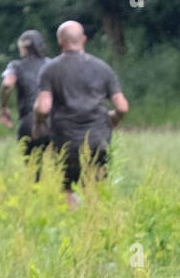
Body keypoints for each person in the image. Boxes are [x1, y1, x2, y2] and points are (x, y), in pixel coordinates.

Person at [33, 21, 129, 210]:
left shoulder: (50, 70)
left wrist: (38, 123)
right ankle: (96, 224)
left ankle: (75, 220)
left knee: (66, 186)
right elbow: (122, 107)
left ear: (60, 41)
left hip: (66, 140)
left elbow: (44, 108)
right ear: (83, 39)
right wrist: (112, 120)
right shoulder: (103, 68)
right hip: (98, 139)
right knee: (96, 185)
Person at [0, 29, 50, 156]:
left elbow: (6, 85)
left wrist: (4, 107)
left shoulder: (15, 65)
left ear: (23, 48)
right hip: (51, 122)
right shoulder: (51, 64)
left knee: (33, 168)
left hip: (28, 122)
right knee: (58, 167)